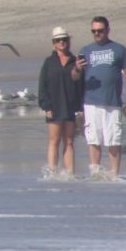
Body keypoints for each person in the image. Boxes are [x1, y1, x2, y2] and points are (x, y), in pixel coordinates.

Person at [72, 16, 126, 179]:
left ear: (108, 30)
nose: (97, 34)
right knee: (93, 139)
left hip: (112, 102)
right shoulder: (85, 50)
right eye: (94, 31)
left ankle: (114, 175)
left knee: (114, 140)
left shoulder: (119, 49)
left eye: (100, 31)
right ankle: (95, 174)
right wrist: (77, 68)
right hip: (91, 102)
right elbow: (74, 77)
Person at [37, 26, 83, 178]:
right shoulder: (49, 62)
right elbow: (42, 85)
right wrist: (46, 106)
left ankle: (70, 174)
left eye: (64, 39)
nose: (62, 42)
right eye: (58, 40)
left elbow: (81, 85)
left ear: (68, 41)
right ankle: (52, 173)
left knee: (69, 141)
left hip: (71, 105)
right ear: (54, 44)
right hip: (54, 105)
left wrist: (80, 106)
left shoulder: (75, 61)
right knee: (54, 140)